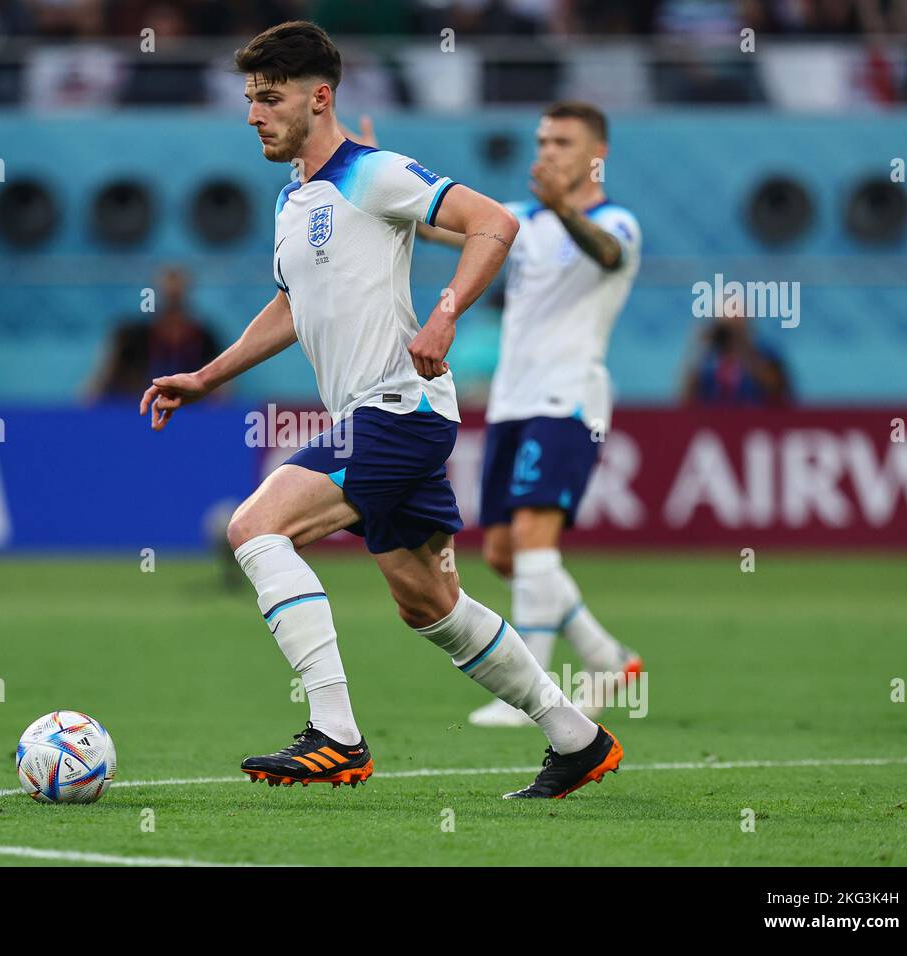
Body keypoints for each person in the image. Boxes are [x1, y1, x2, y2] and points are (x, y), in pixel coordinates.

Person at [138, 20, 622, 800]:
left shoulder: (376, 172)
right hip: (373, 415)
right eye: (250, 100)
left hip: (398, 408)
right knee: (427, 602)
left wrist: (446, 312)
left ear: (318, 97)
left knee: (254, 528)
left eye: (270, 98)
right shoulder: (295, 200)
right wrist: (208, 373)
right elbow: (295, 305)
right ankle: (577, 738)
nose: (254, 114)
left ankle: (336, 735)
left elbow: (494, 222)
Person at [415, 101, 644, 728]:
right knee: (505, 554)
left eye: (563, 142)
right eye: (542, 140)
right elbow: (442, 228)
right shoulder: (522, 220)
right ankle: (607, 657)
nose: (546, 152)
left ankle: (534, 696)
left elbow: (606, 255)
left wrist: (566, 210)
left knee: (537, 545)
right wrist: (379, 178)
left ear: (597, 153)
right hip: (513, 402)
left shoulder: (616, 223)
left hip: (567, 400)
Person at [90, 266, 221, 399]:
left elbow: (222, 392)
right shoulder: (133, 336)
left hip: (190, 410)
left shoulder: (205, 338)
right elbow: (99, 381)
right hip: (138, 409)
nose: (172, 303)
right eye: (169, 297)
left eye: (176, 299)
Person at [682, 308, 792, 407]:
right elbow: (686, 398)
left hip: (755, 421)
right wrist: (697, 348)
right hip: (713, 421)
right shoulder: (709, 357)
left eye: (737, 318)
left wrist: (743, 348)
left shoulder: (764, 352)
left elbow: (778, 389)